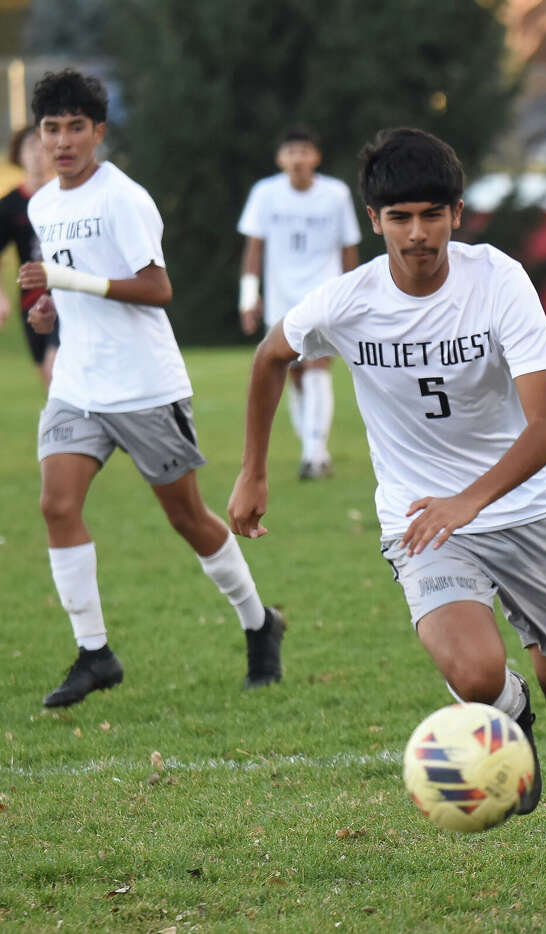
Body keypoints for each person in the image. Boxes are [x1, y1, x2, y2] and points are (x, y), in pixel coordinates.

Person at [228, 127, 546, 896]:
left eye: (432, 214)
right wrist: (254, 471)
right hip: (420, 520)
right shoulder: (350, 299)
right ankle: (511, 719)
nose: (418, 233)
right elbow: (271, 358)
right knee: (472, 670)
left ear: (458, 214)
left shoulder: (498, 282)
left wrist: (469, 500)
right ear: (374, 221)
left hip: (523, 510)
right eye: (400, 217)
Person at [17, 68, 285, 708]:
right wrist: (52, 309)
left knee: (188, 518)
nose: (62, 141)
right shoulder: (41, 204)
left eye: (75, 128)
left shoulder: (124, 198)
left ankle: (259, 624)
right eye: (51, 129)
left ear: (99, 132)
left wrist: (67, 283)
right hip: (78, 384)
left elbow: (158, 289)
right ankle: (94, 653)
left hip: (144, 386)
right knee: (56, 506)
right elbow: (70, 280)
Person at [236, 126, 361, 480]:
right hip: (282, 298)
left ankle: (314, 454)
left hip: (324, 294)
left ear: (316, 158)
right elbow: (254, 248)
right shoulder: (265, 193)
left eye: (304, 151)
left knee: (318, 365)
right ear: (280, 159)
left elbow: (348, 247)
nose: (298, 159)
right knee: (291, 373)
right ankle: (311, 445)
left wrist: (352, 298)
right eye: (291, 151)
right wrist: (249, 297)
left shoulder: (335, 194)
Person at [0, 124, 59, 387]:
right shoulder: (11, 204)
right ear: (19, 155)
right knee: (49, 380)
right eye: (30, 148)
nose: (37, 155)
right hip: (32, 301)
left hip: (66, 294)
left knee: (56, 365)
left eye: (42, 147)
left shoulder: (66, 196)